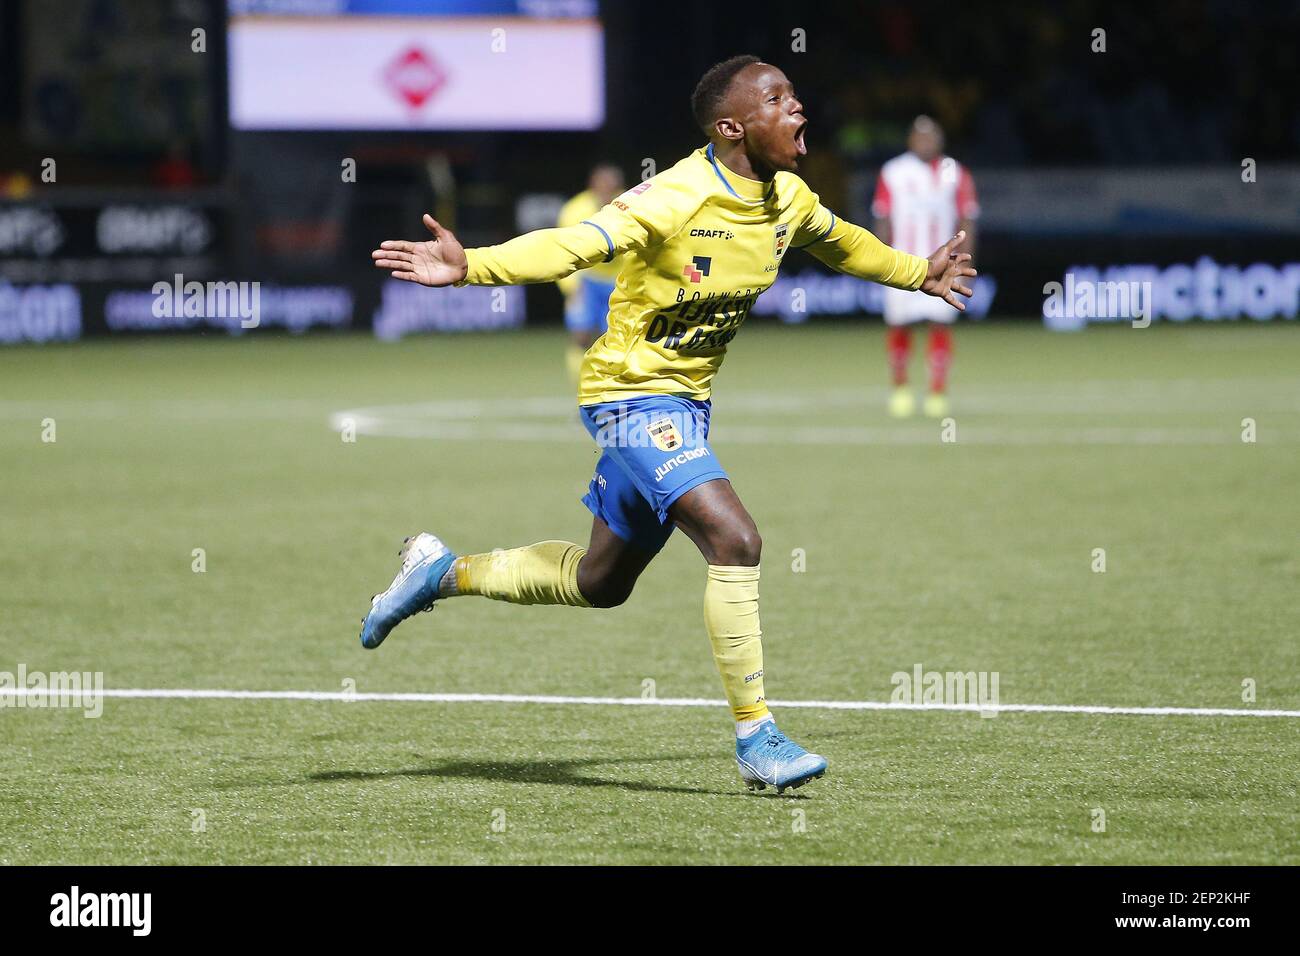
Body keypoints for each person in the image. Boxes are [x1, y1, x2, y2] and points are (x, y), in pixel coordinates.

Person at [365, 55, 975, 794]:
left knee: (599, 582)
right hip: (626, 396)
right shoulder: (677, 196)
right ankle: (757, 737)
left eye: (793, 95)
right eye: (777, 99)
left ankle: (440, 570)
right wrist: (474, 267)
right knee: (735, 537)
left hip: (683, 406)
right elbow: (576, 244)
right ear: (731, 126)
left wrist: (918, 272)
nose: (797, 108)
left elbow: (842, 241)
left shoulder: (787, 199)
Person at [872, 116, 978, 418]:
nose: (927, 142)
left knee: (939, 324)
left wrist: (965, 265)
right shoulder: (893, 171)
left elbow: (967, 220)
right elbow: (882, 218)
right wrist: (881, 262)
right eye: (921, 137)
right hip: (902, 263)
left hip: (942, 267)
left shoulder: (955, 172)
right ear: (910, 140)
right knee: (899, 324)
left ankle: (937, 392)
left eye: (932, 137)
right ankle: (900, 389)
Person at [557, 164, 626, 383]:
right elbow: (563, 251)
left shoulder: (629, 205)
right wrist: (571, 287)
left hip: (618, 282)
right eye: (601, 186)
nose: (606, 191)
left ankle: (613, 389)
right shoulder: (574, 210)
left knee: (615, 340)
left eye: (611, 187)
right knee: (581, 336)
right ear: (592, 186)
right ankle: (581, 388)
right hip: (586, 280)